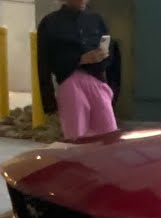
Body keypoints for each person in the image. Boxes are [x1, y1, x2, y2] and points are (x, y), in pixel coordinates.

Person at [36, 0, 117, 140]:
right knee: (77, 137)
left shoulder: (96, 19)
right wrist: (48, 101)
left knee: (109, 135)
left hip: (96, 80)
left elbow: (111, 55)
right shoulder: (50, 23)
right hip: (69, 82)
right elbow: (44, 62)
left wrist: (102, 57)